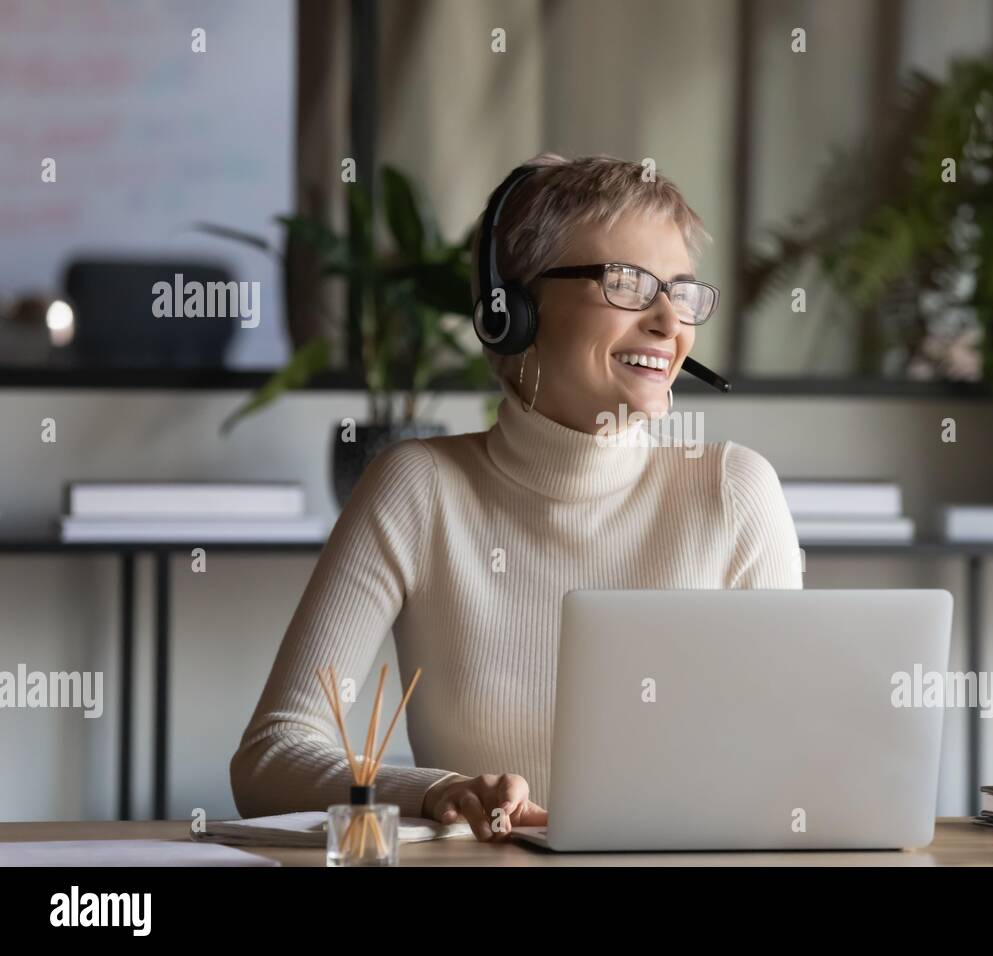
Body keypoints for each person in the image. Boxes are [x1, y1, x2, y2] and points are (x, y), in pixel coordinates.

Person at [230, 153, 801, 843]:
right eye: (627, 283)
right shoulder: (418, 488)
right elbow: (269, 757)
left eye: (680, 293)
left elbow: (789, 767)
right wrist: (439, 790)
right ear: (514, 311)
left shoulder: (734, 492)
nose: (665, 321)